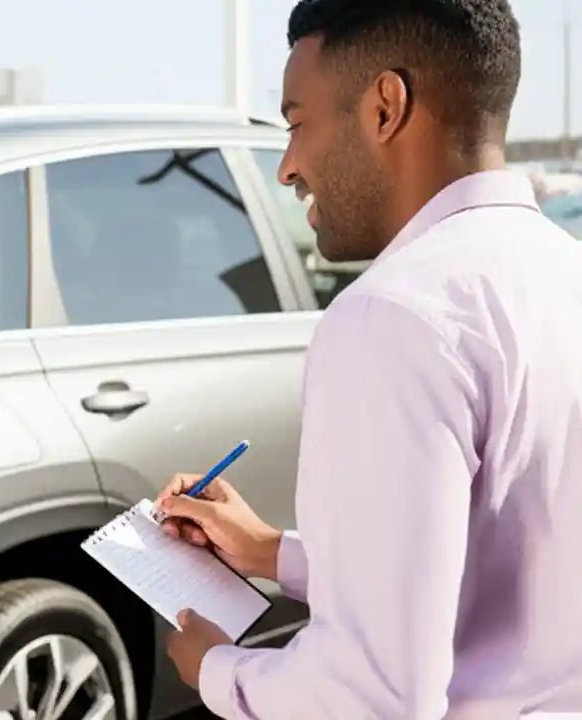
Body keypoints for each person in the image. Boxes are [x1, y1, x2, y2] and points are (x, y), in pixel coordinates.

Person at [156, 1, 582, 718]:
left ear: (384, 107)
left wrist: (217, 671)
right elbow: (503, 581)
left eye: (297, 123)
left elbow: (373, 698)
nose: (289, 166)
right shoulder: (565, 275)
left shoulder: (393, 316)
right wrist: (269, 552)